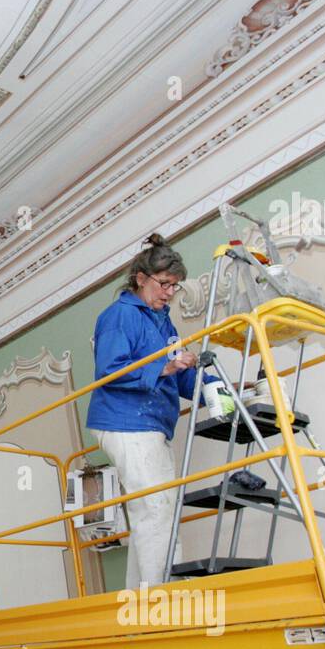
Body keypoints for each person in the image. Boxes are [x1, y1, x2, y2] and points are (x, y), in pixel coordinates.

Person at [85, 233, 218, 588]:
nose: (169, 293)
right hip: (126, 420)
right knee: (157, 509)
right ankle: (163, 595)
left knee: (154, 511)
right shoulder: (119, 315)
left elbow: (183, 379)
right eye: (163, 284)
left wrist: (221, 392)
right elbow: (110, 370)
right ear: (141, 279)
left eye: (175, 286)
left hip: (151, 424)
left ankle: (141, 598)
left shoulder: (163, 323)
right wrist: (165, 368)